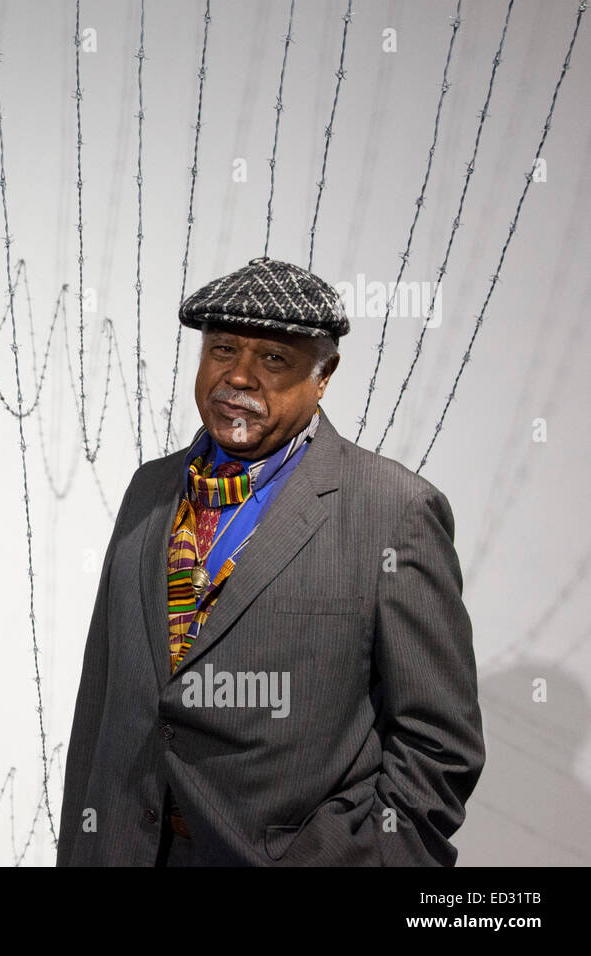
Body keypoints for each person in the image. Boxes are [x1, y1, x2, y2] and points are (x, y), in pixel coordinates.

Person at [55, 256, 485, 866]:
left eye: (275, 359)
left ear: (324, 374)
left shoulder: (394, 511)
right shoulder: (149, 490)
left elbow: (440, 744)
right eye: (223, 349)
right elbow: (101, 697)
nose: (240, 377)